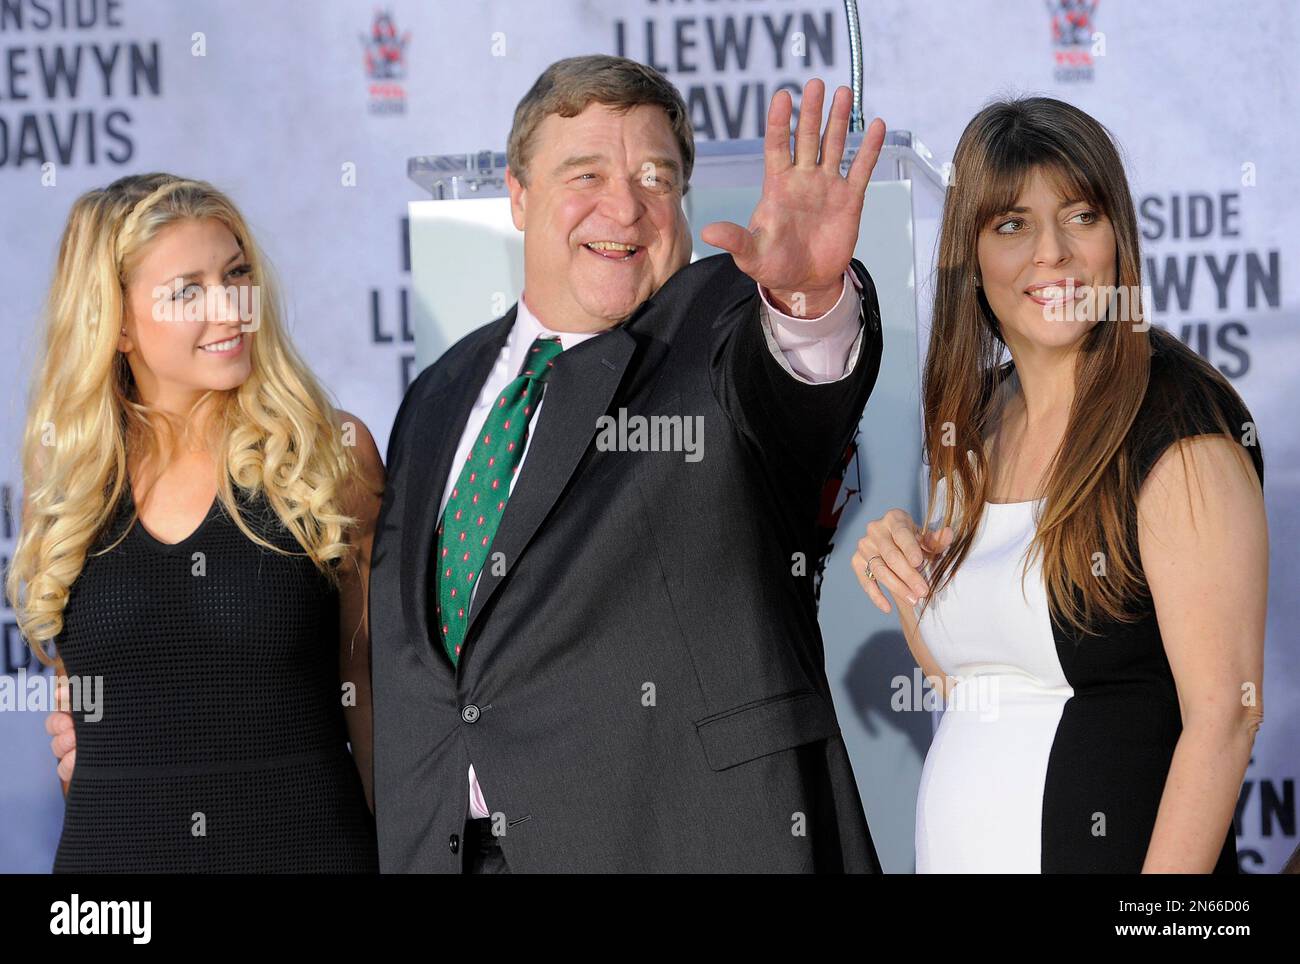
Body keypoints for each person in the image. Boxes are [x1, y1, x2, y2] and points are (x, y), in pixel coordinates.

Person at [370, 55, 887, 872]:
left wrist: (805, 301)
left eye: (656, 177)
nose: (625, 206)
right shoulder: (439, 392)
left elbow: (795, 392)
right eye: (586, 174)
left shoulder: (717, 324)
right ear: (516, 194)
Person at [850, 97, 1266, 873]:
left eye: (1080, 217)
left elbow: (1226, 722)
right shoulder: (969, 423)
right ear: (970, 256)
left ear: (1118, 240)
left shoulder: (1176, 419)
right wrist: (904, 567)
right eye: (1012, 225)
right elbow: (969, 684)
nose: (1054, 254)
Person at [17, 173, 383, 873]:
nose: (231, 307)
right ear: (117, 322)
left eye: (237, 275)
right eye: (187, 290)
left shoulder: (326, 456)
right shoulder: (64, 476)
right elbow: (80, 720)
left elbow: (372, 692)